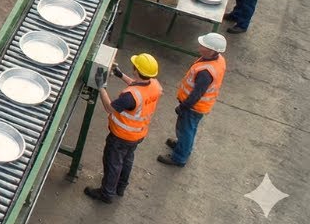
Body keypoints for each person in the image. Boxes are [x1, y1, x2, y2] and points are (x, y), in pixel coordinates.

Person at [84, 53, 161, 204]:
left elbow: (109, 108)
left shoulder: (129, 97)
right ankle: (120, 186)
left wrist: (101, 87)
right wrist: (120, 75)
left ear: (136, 70)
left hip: (121, 137)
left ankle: (107, 194)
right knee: (127, 159)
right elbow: (137, 85)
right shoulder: (154, 85)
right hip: (138, 134)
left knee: (113, 163)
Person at [159, 33, 227, 167]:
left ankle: (179, 158)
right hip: (198, 107)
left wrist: (183, 107)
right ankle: (183, 147)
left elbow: (196, 94)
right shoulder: (218, 60)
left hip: (192, 107)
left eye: (203, 46)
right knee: (189, 129)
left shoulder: (205, 73)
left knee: (185, 131)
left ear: (212, 51)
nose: (200, 47)